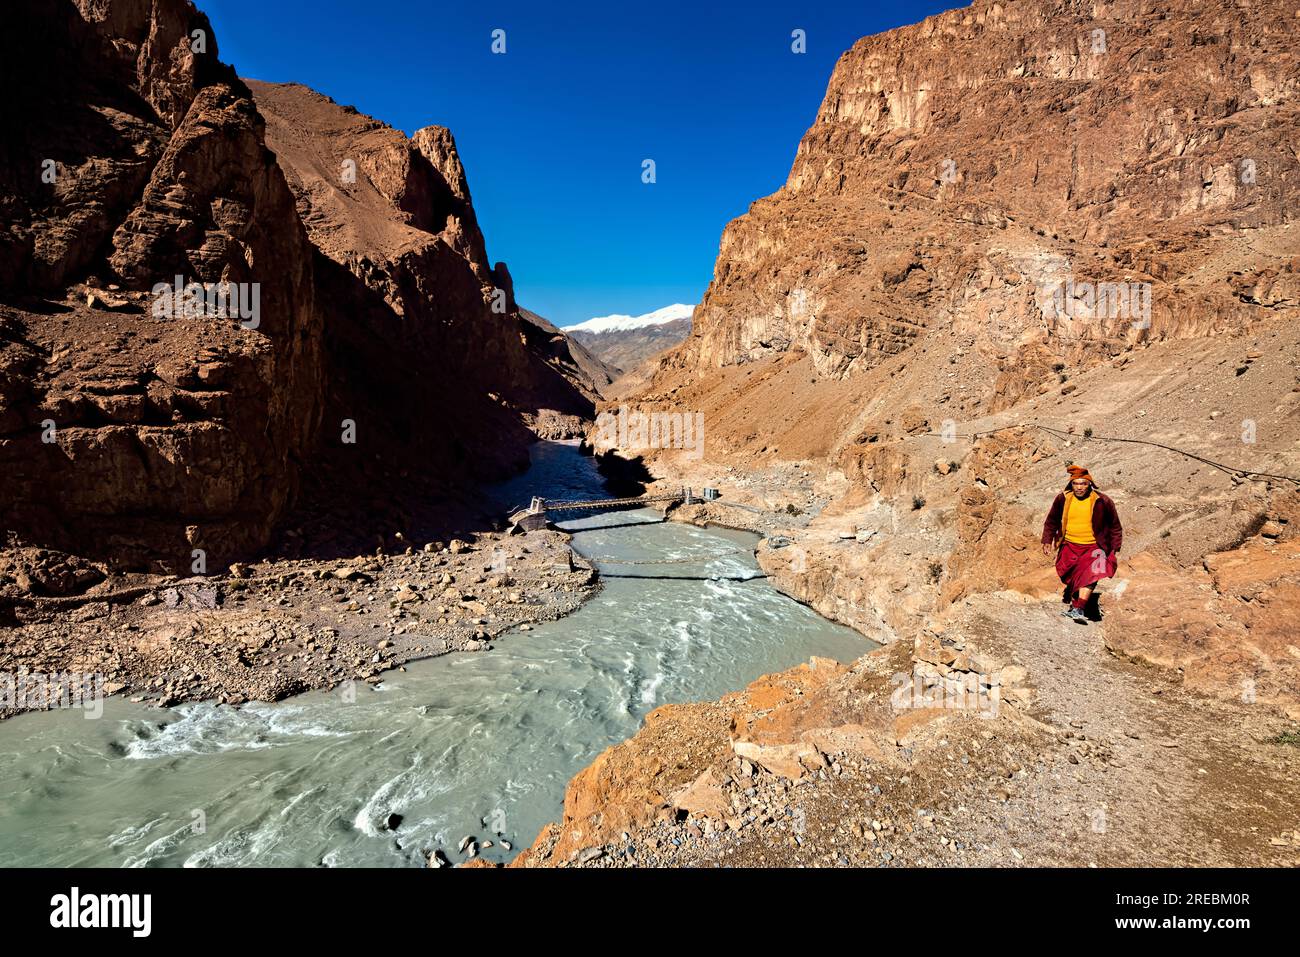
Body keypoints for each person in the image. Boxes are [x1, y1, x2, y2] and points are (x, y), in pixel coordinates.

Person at [1040, 464, 1122, 623]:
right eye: (1075, 484)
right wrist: (1047, 539)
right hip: (1069, 545)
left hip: (1094, 547)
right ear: (1071, 484)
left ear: (1089, 484)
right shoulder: (1063, 498)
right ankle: (1075, 606)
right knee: (1072, 576)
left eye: (1083, 484)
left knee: (1091, 575)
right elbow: (1052, 520)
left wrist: (1115, 546)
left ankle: (1079, 609)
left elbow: (1115, 525)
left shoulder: (1102, 500)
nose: (1079, 487)